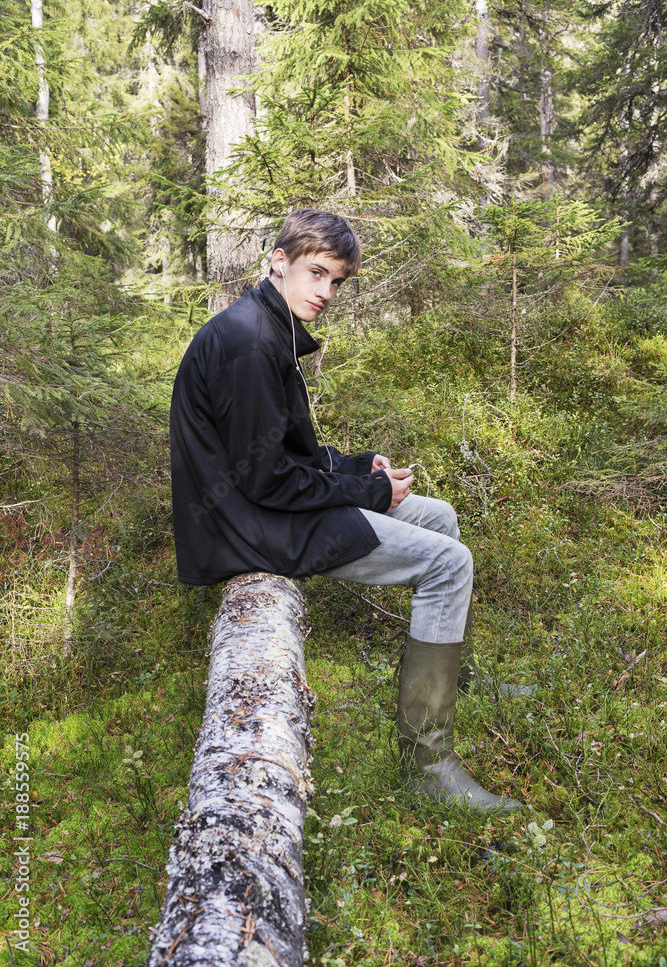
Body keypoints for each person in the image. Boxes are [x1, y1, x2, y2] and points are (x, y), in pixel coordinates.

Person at [170, 209, 520, 815]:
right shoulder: (250, 343)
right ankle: (429, 765)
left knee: (439, 517)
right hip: (247, 528)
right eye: (317, 273)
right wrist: (371, 494)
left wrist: (358, 469)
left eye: (336, 280)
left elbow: (277, 453)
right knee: (448, 564)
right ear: (279, 260)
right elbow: (264, 478)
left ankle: (450, 677)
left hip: (258, 508)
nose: (327, 292)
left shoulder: (268, 325)